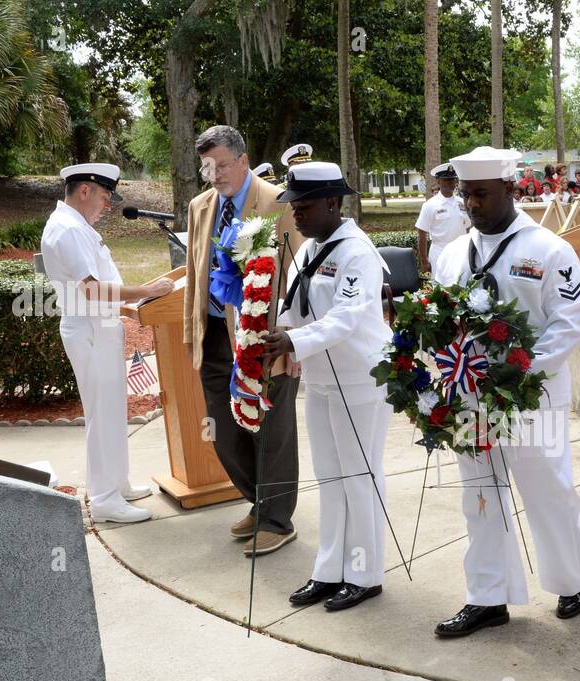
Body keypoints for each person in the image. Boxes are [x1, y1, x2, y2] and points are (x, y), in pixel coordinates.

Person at [430, 146, 580, 637]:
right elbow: (444, 319)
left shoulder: (549, 249)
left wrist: (520, 377)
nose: (473, 205)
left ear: (510, 189)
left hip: (532, 397)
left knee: (547, 490)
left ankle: (575, 575)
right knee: (479, 495)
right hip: (469, 397)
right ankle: (489, 595)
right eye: (466, 196)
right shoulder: (453, 253)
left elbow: (567, 324)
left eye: (481, 195)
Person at [264, 161, 391, 612]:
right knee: (330, 476)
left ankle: (364, 573)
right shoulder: (313, 246)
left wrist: (292, 340)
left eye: (304, 205)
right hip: (320, 379)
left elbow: (347, 316)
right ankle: (329, 569)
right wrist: (267, 330)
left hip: (359, 380)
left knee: (359, 477)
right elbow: (296, 305)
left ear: (333, 202)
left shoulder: (355, 251)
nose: (295, 213)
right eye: (293, 205)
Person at [183, 125, 301, 556]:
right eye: (207, 167)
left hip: (263, 338)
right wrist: (190, 334)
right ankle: (259, 499)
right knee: (224, 430)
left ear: (244, 159)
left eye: (222, 165)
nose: (215, 175)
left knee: (271, 429)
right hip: (214, 334)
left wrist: (294, 339)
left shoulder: (275, 203)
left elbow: (296, 275)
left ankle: (277, 519)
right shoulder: (200, 207)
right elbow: (197, 273)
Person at [41, 163, 173, 524]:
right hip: (89, 327)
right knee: (101, 416)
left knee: (113, 411)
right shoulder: (67, 229)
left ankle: (117, 485)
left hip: (99, 326)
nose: (107, 205)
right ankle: (103, 500)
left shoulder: (76, 225)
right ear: (84, 191)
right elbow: (93, 289)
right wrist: (148, 290)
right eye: (103, 196)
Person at [415, 161, 470, 274]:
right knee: (441, 289)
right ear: (438, 181)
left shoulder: (462, 203)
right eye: (446, 180)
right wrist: (424, 261)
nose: (450, 183)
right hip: (439, 253)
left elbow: (468, 229)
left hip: (461, 253)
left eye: (453, 180)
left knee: (463, 286)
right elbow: (421, 234)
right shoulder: (430, 205)